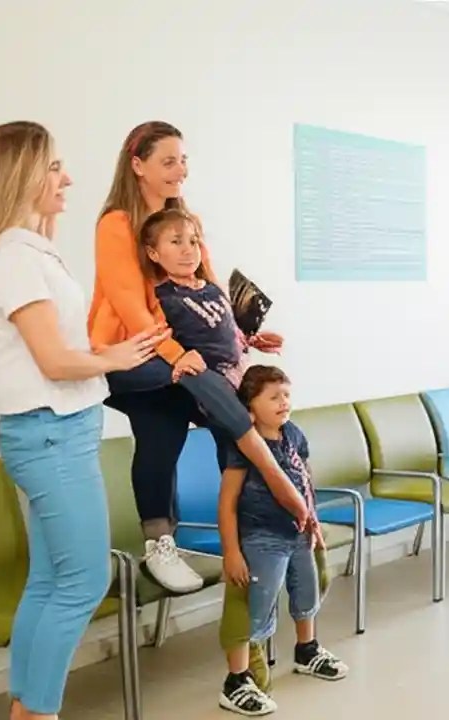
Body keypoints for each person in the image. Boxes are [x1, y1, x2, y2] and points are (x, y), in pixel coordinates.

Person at [0, 121, 165, 719]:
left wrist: (108, 352)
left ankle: (26, 709)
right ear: (19, 175)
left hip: (55, 432)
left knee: (51, 582)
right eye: (53, 167)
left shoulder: (24, 251)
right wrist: (115, 358)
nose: (67, 178)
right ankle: (36, 713)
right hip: (51, 435)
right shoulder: (14, 259)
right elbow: (54, 360)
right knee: (84, 582)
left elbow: (57, 349)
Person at [89, 121, 305, 594]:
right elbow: (129, 305)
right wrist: (178, 356)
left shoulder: (187, 221)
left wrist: (244, 338)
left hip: (181, 355)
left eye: (184, 160)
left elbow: (211, 296)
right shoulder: (118, 224)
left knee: (178, 428)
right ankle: (268, 475)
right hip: (133, 351)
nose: (181, 170)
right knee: (178, 415)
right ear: (138, 165)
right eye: (169, 161)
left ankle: (230, 528)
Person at [217, 366, 348, 715]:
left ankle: (307, 650)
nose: (284, 402)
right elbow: (227, 503)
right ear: (250, 405)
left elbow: (305, 480)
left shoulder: (293, 434)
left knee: (307, 592)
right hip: (262, 536)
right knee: (254, 608)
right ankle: (237, 680)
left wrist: (313, 519)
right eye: (274, 397)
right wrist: (231, 552)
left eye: (287, 394)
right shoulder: (244, 444)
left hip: (298, 533)